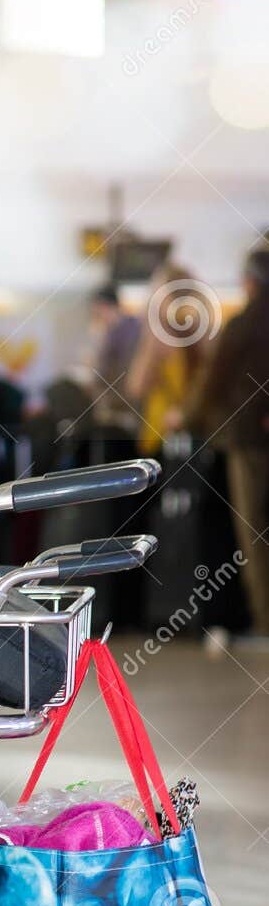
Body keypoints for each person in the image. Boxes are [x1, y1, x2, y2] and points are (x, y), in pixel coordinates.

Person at [190, 247, 269, 638]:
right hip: (254, 436)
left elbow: (212, 384)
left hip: (250, 442)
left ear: (250, 282)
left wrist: (194, 419)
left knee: (253, 532)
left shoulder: (242, 324)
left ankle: (265, 621)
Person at [126, 267, 209, 456]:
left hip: (170, 432)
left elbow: (136, 387)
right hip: (174, 432)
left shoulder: (166, 336)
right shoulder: (194, 335)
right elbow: (136, 388)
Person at [85, 283, 142, 429]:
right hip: (123, 403)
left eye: (96, 312)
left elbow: (114, 370)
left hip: (127, 405)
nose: (97, 317)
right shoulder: (127, 326)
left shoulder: (126, 330)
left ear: (103, 306)